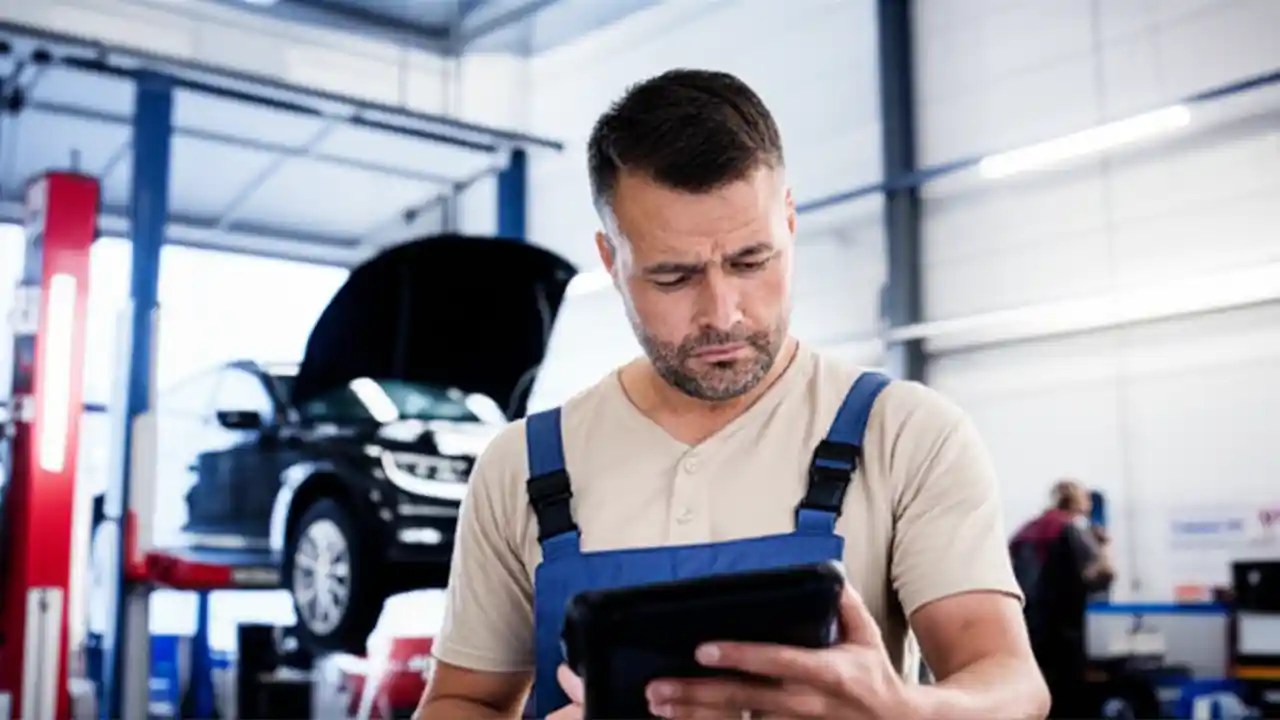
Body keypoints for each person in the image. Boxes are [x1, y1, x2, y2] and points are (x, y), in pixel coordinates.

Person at [416, 68, 1049, 720]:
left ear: (791, 222)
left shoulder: (907, 436)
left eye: (751, 261)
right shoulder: (522, 465)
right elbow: (459, 702)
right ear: (611, 261)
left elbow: (1011, 685)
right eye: (673, 275)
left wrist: (904, 712)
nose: (723, 313)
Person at [1009, 479, 1115, 718]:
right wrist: (1105, 547)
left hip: (1024, 629)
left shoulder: (1026, 530)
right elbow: (1100, 576)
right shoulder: (1072, 527)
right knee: (1067, 701)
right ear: (1078, 502)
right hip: (1063, 633)